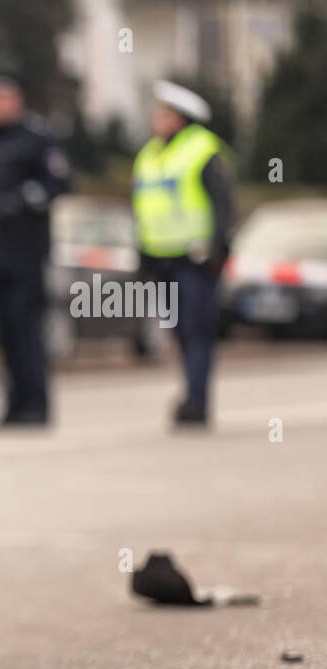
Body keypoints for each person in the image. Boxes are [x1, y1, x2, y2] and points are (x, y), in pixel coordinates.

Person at [0, 66, 70, 426]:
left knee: (28, 330)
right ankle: (14, 404)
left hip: (28, 253)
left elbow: (59, 182)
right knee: (5, 331)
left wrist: (26, 200)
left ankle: (36, 405)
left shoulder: (36, 139)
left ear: (15, 99)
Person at [132, 80, 233, 426]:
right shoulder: (149, 154)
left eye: (164, 114)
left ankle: (197, 403)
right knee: (178, 332)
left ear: (180, 118)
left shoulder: (203, 149)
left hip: (195, 260)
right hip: (161, 259)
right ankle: (190, 393)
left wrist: (218, 250)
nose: (156, 119)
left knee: (196, 330)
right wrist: (142, 255)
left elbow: (222, 205)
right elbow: (144, 208)